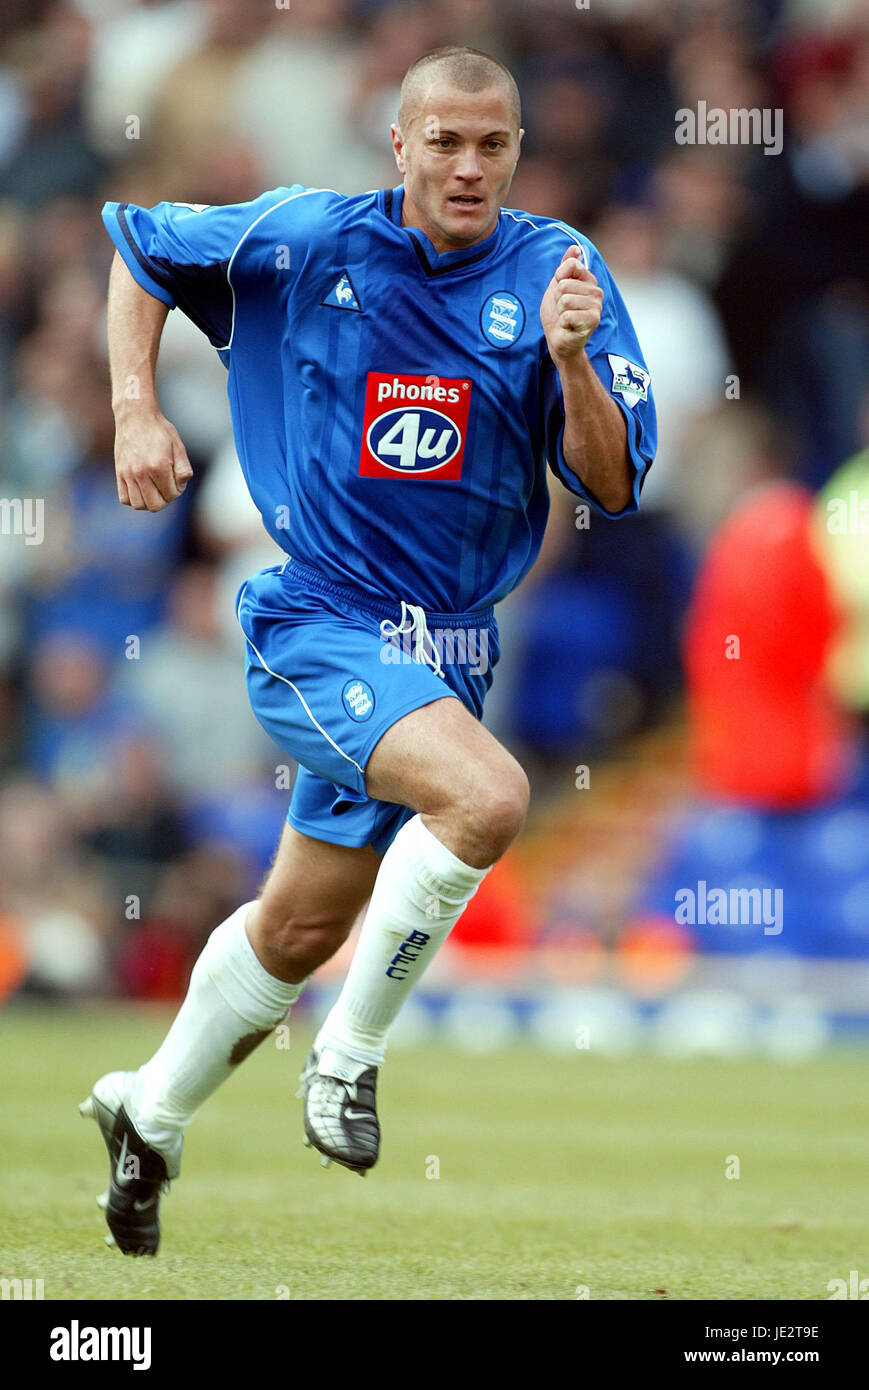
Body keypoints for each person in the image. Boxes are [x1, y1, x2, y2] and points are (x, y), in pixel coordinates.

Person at [81, 45, 656, 1256]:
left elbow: (610, 479)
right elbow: (138, 243)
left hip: (447, 651)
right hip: (318, 620)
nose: (465, 165)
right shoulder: (301, 237)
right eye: (441, 141)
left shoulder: (560, 272)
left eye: (489, 144)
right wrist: (133, 405)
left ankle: (148, 1111)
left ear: (516, 151)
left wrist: (566, 364)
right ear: (397, 144)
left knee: (292, 928)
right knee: (491, 794)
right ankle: (347, 1059)